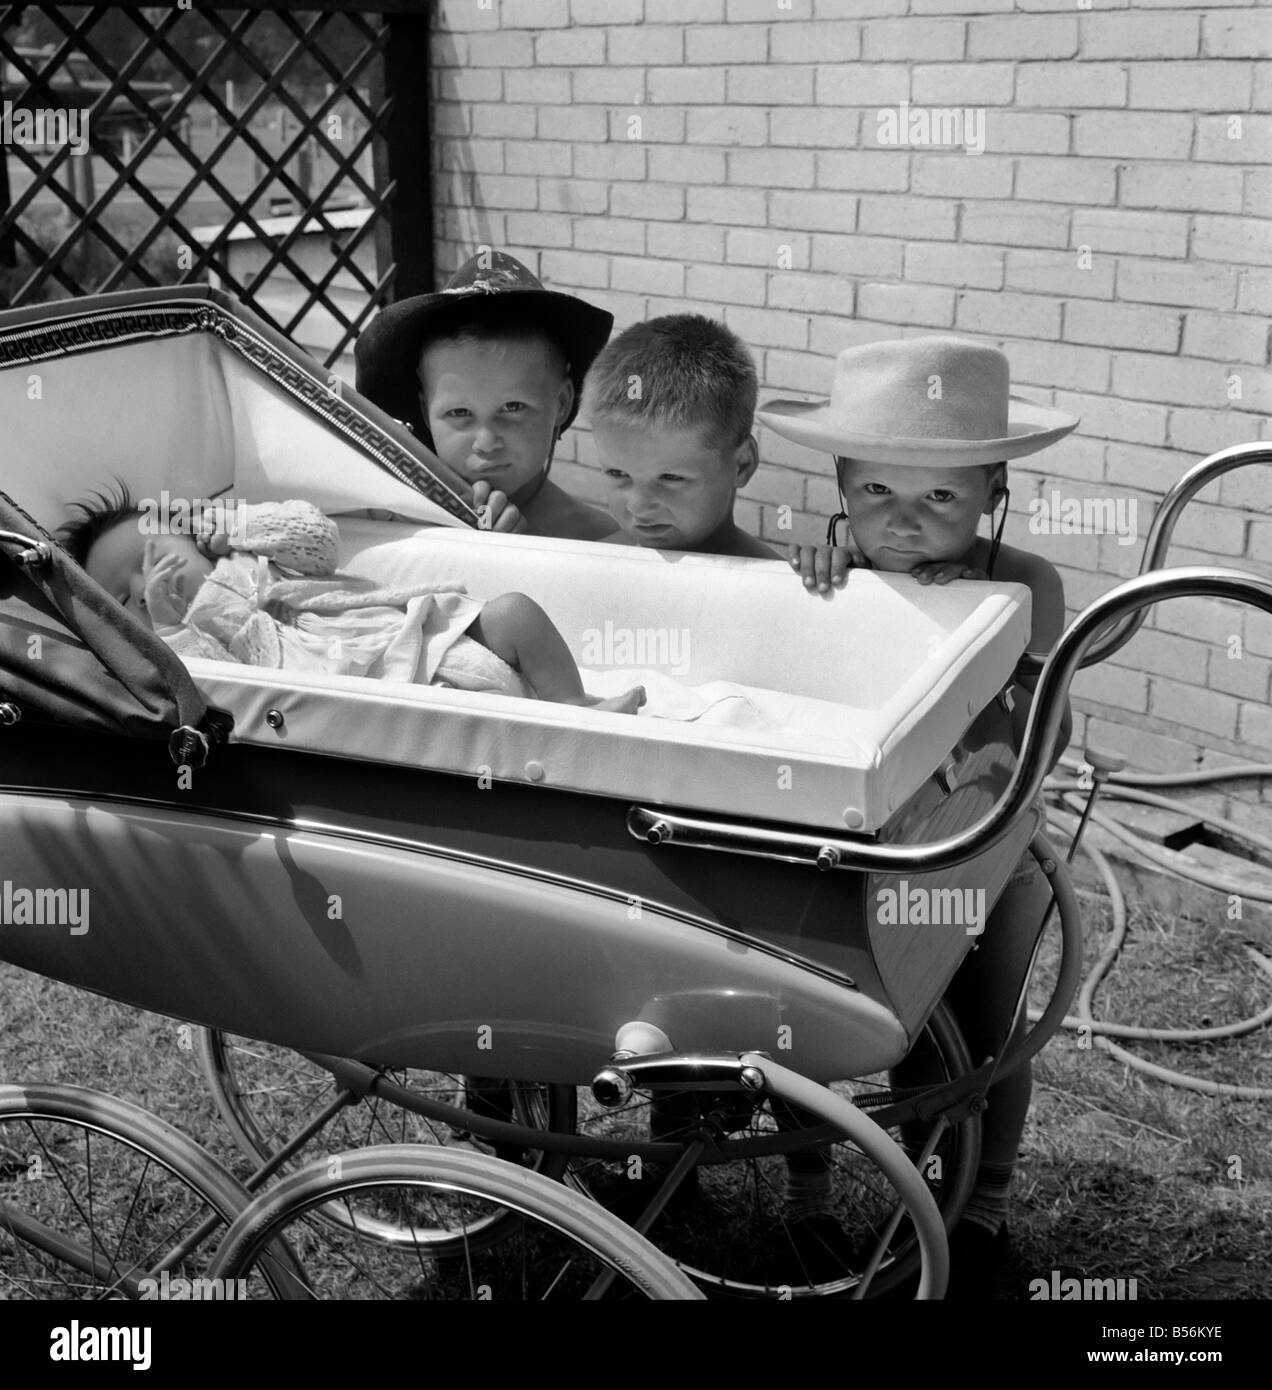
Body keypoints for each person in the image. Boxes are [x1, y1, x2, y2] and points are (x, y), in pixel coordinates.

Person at [757, 335, 1080, 1295]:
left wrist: (993, 741)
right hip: (862, 852)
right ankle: (808, 1200)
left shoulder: (1024, 583)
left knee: (979, 1037)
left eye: (940, 497)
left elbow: (1044, 732)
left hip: (987, 849)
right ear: (842, 484)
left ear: (992, 493)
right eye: (876, 494)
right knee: (801, 1026)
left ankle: (978, 1208)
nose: (902, 522)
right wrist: (833, 596)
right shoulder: (828, 574)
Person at [58, 488, 643, 714]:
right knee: (459, 724)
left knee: (515, 610)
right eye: (127, 598)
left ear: (191, 532)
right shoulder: (195, 643)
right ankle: (551, 727)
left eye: (152, 555)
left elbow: (318, 538)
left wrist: (232, 524)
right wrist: (166, 628)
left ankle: (575, 705)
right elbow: (212, 684)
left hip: (425, 637)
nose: (150, 582)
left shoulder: (257, 558)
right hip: (396, 694)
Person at [355, 250, 616, 541]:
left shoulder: (603, 542)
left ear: (563, 403)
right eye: (459, 413)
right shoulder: (392, 525)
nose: (486, 443)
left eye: (513, 407)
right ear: (426, 410)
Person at [582, 314, 778, 558]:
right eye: (617, 473)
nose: (638, 506)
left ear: (741, 466)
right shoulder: (592, 565)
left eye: (670, 477)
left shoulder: (779, 586)